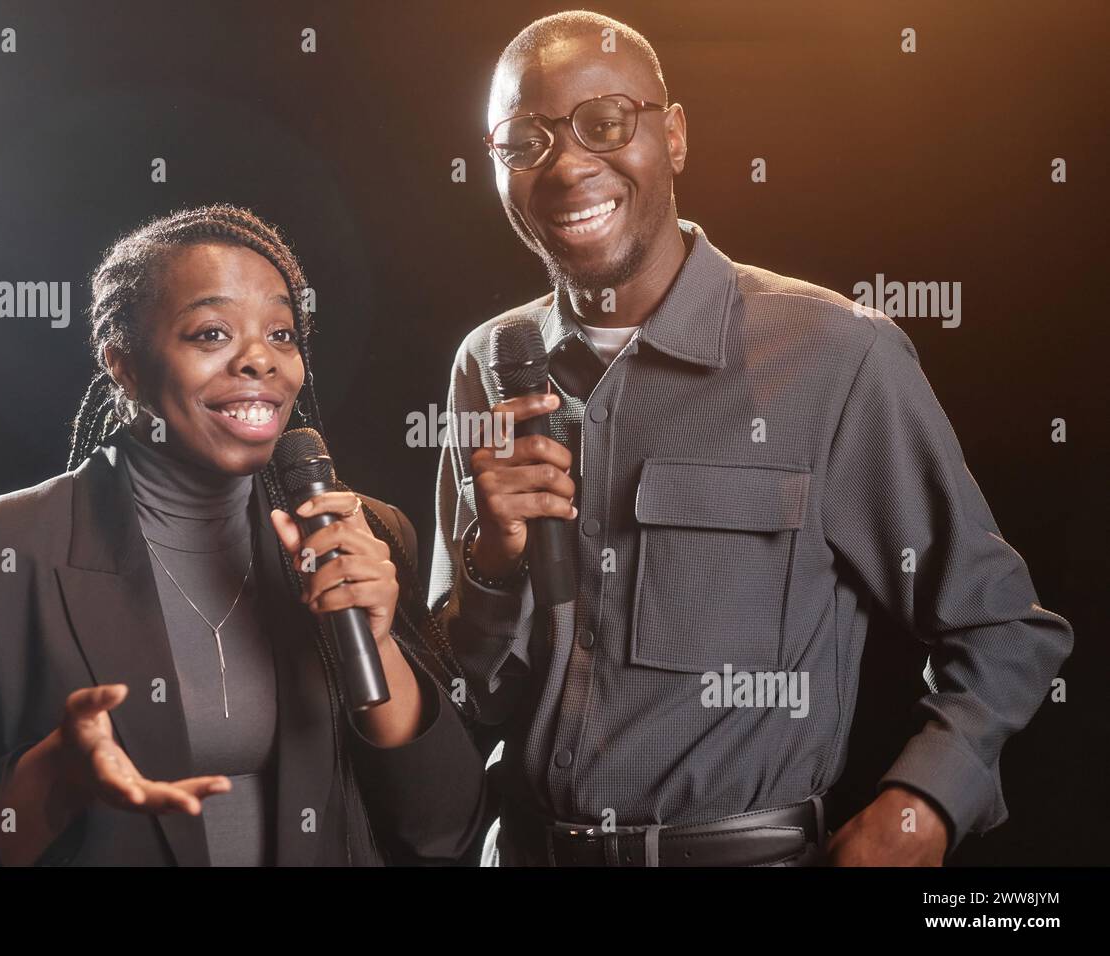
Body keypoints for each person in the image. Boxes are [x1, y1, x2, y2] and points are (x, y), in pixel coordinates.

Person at [428, 11, 1075, 866]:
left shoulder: (837, 355)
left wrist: (922, 804)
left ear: (677, 135)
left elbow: (1005, 630)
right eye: (525, 140)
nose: (570, 164)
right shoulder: (490, 364)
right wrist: (491, 568)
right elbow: (462, 693)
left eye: (606, 123)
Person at [0, 203, 486, 866]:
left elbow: (443, 831)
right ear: (125, 366)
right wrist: (54, 777)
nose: (261, 360)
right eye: (211, 333)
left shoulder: (361, 533)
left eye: (282, 334)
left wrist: (375, 645)